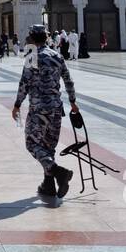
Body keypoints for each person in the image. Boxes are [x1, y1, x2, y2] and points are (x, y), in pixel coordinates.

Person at [11, 25, 78, 198]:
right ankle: (48, 185)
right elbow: (68, 81)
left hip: (39, 109)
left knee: (32, 144)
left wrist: (17, 104)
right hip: (56, 108)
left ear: (32, 38)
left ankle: (58, 172)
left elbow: (24, 84)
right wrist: (73, 101)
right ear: (46, 38)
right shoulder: (57, 56)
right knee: (48, 146)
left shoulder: (32, 57)